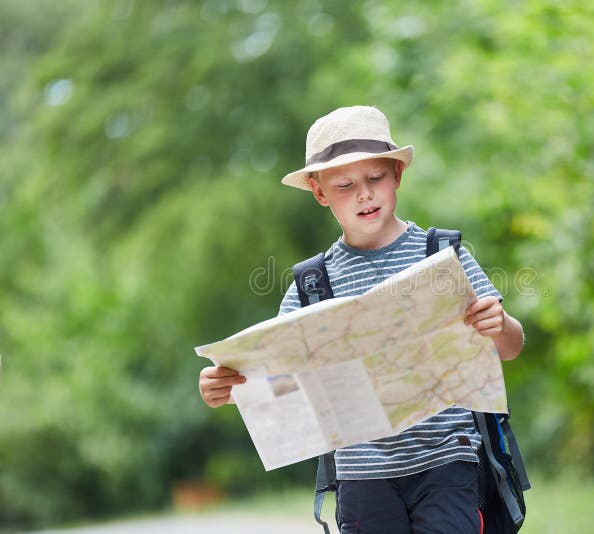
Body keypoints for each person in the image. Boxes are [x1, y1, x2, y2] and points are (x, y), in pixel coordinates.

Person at [199, 105, 524, 533]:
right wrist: (226, 385)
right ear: (320, 193)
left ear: (397, 176)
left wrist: (499, 325)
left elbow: (511, 347)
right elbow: (277, 379)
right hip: (361, 473)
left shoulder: (441, 255)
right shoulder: (312, 283)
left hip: (448, 458)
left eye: (375, 179)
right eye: (345, 185)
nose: (364, 195)